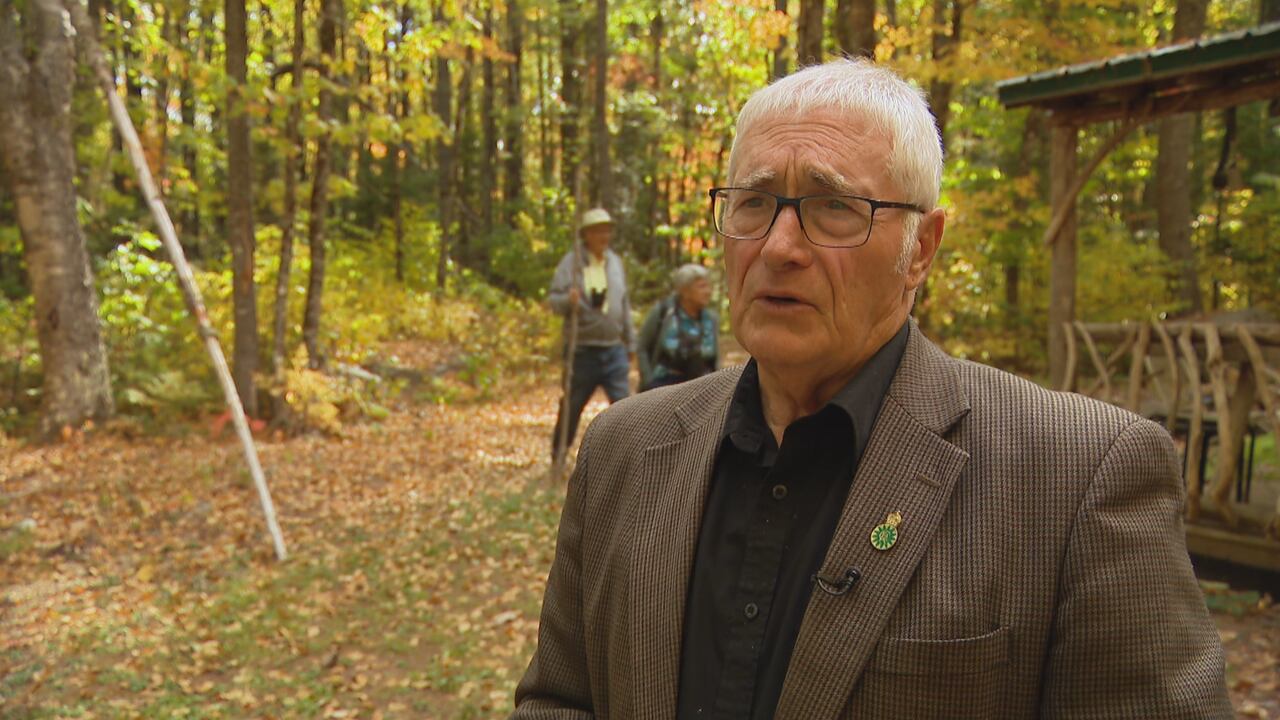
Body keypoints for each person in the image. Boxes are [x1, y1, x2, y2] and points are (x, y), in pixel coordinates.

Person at [514, 60, 1230, 719]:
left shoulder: (1078, 477)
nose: (778, 246)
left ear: (921, 249)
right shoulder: (623, 449)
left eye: (833, 207)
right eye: (754, 202)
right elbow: (560, 699)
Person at [547, 208, 636, 466]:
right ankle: (558, 457)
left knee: (626, 407)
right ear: (586, 235)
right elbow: (554, 301)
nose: (604, 236)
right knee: (572, 406)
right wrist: (568, 300)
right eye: (598, 231)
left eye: (607, 230)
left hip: (613, 349)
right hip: (582, 351)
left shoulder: (615, 262)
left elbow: (623, 303)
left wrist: (631, 340)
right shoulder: (571, 263)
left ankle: (630, 461)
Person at [637, 263, 719, 391]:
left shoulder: (710, 319)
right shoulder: (663, 313)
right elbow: (642, 347)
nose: (708, 292)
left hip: (702, 387)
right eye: (702, 287)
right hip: (664, 386)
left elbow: (714, 359)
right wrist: (649, 381)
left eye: (709, 286)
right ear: (685, 291)